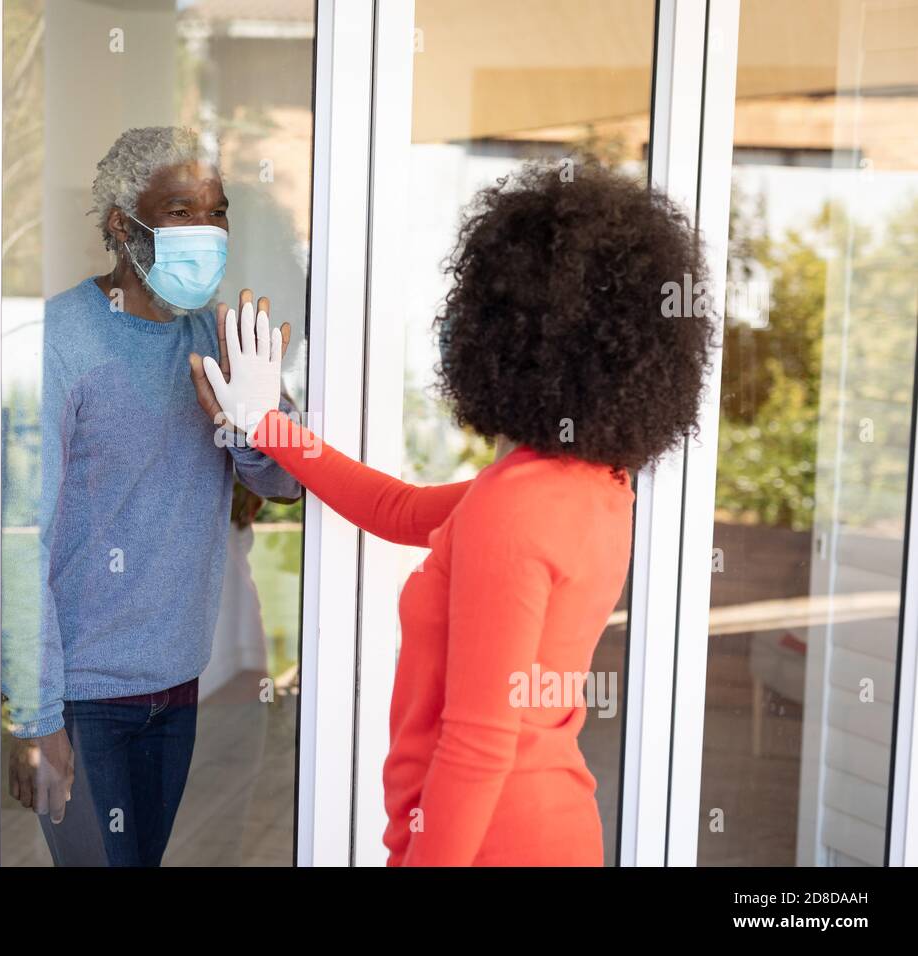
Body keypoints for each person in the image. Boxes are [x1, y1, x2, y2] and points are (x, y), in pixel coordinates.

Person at [191, 162, 712, 865]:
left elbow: (478, 742)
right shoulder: (595, 484)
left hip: (489, 844)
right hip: (548, 829)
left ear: (506, 335)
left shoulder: (517, 501)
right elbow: (397, 508)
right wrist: (266, 424)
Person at [3, 126, 300, 867]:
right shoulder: (60, 341)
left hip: (176, 682)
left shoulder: (221, 337)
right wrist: (36, 719)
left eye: (216, 212)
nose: (206, 231)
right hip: (83, 695)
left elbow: (287, 483)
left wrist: (252, 421)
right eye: (179, 212)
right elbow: (19, 538)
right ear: (120, 226)